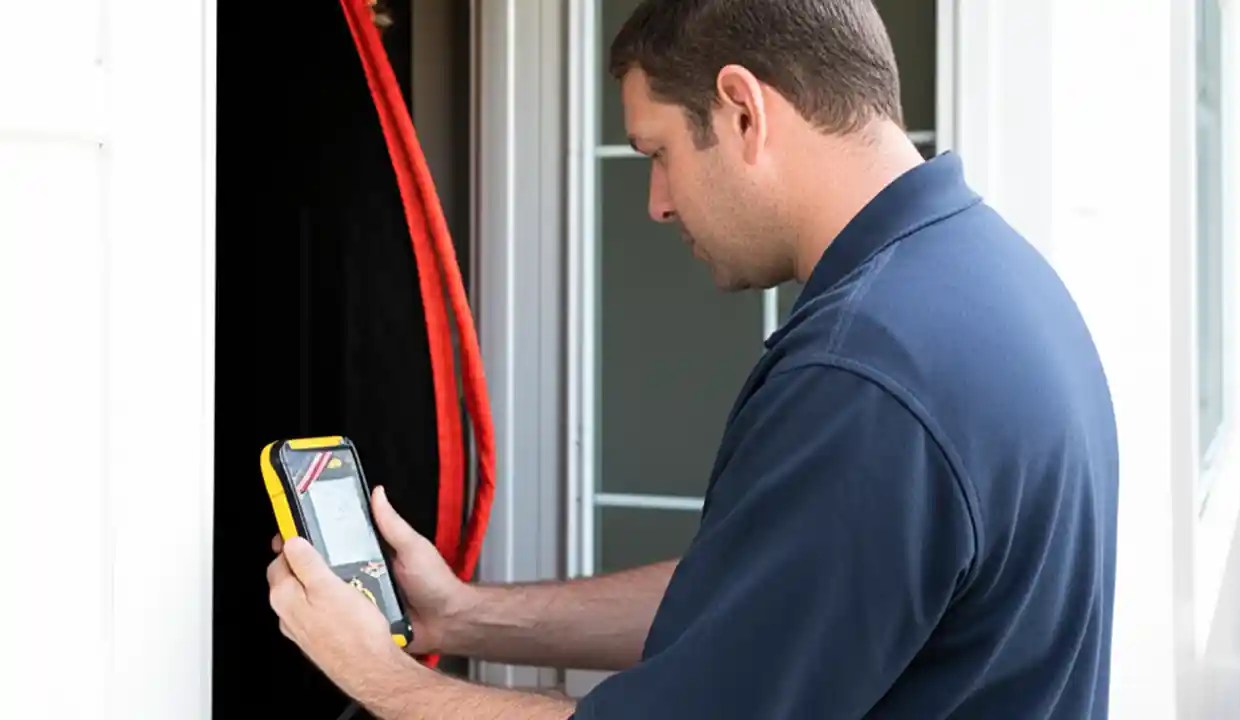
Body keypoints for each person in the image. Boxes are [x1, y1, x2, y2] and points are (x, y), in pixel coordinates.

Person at [265, 0, 1119, 717]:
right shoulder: (989, 278)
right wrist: (461, 614)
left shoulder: (866, 375)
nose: (658, 204)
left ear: (743, 111)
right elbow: (769, 599)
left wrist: (384, 682)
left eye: (658, 153)